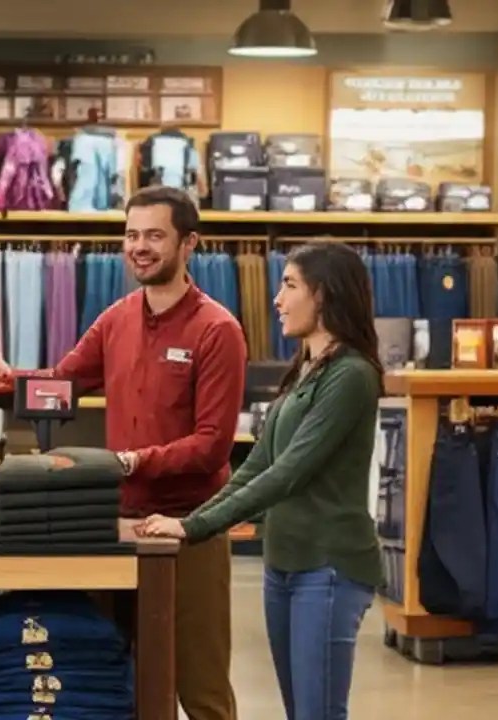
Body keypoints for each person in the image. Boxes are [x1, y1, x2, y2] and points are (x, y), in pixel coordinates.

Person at [141, 242, 385, 720]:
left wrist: (193, 527)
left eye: (290, 285)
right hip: (285, 564)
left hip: (328, 567)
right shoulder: (304, 374)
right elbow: (256, 466)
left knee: (317, 713)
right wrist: (190, 522)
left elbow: (289, 472)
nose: (277, 299)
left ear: (324, 295)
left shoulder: (351, 376)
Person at [54, 185, 246, 720]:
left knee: (201, 685)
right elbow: (60, 383)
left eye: (155, 236)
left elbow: (212, 444)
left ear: (189, 244)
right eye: (132, 235)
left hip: (191, 528)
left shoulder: (218, 330)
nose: (140, 247)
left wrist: (134, 461)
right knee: (120, 680)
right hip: (120, 525)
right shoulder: (115, 319)